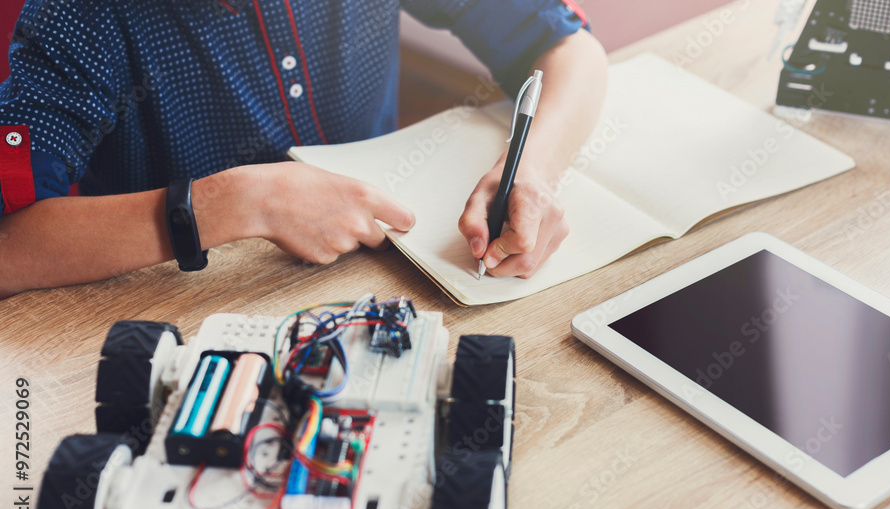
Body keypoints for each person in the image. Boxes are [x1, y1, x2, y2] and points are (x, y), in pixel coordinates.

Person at [0, 0, 608, 298]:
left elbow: (568, 48)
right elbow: (9, 246)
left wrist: (532, 170)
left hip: (395, 274)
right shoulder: (77, 16)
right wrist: (235, 202)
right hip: (191, 314)